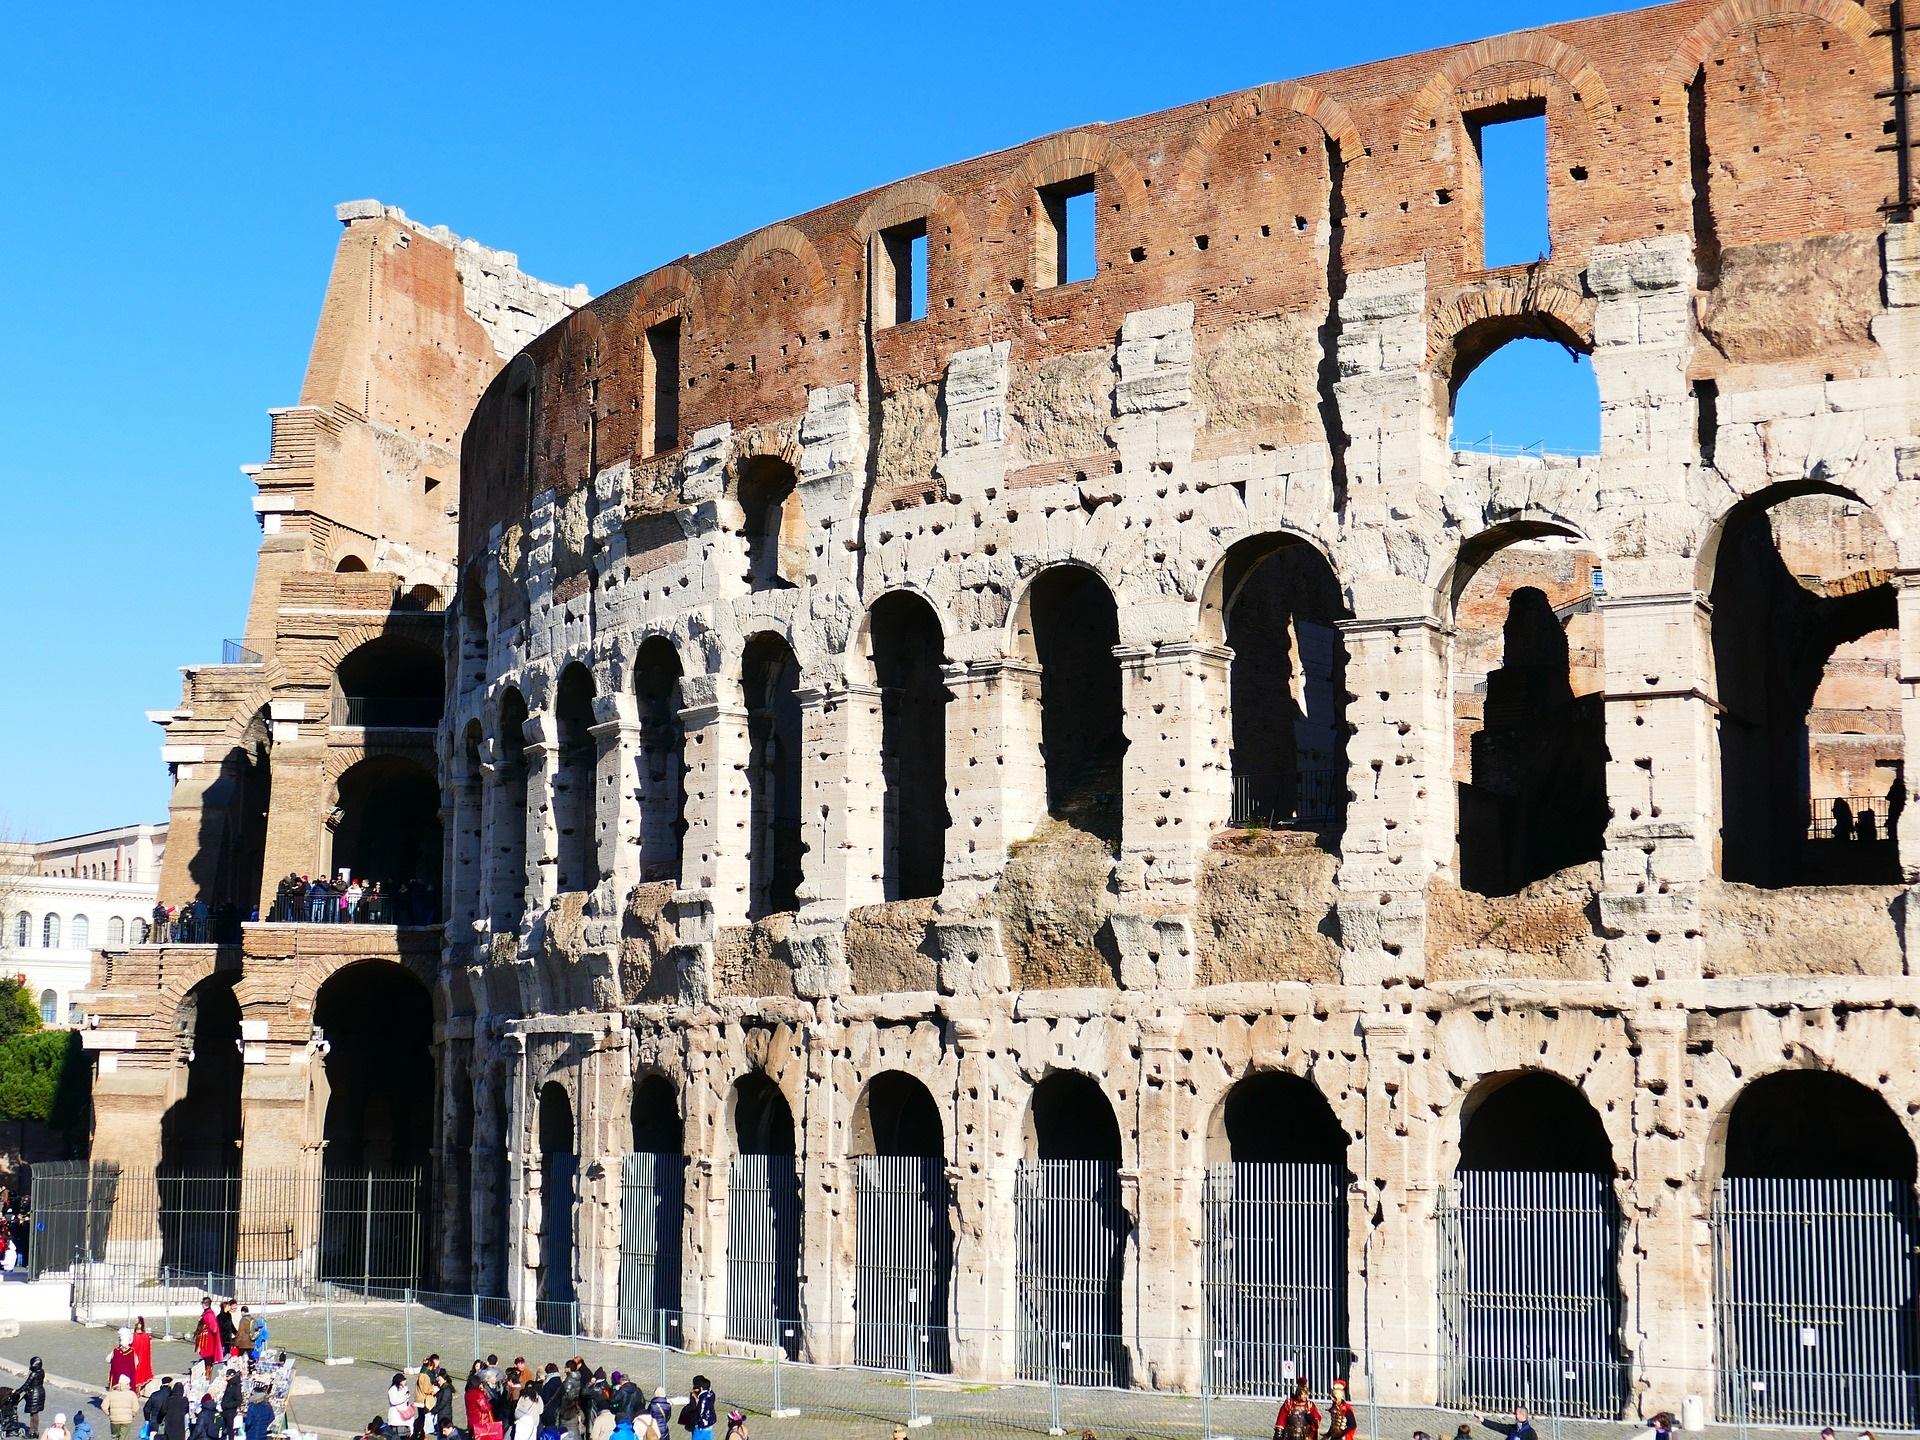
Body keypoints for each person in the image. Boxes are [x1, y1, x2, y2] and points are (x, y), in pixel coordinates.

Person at [1273, 1375, 1318, 1440]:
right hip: (1290, 1435)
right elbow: (1281, 1419)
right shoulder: (1289, 1403)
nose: (1305, 1396)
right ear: (1298, 1394)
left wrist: (1309, 1415)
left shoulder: (1309, 1405)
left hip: (1305, 1436)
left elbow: (1316, 1421)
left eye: (1306, 1394)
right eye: (1303, 1394)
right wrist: (1279, 1433)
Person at [20, 1357, 46, 1436]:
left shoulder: (33, 1374)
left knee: (32, 1414)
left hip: (34, 1395)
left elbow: (26, 1384)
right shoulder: (42, 1371)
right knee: (36, 1413)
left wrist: (18, 1391)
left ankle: (31, 1432)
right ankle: (36, 1431)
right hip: (41, 1392)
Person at [131, 1319, 155, 1392]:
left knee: (134, 1372)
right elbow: (149, 1346)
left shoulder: (132, 1336)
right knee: (141, 1372)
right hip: (143, 1358)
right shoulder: (147, 1336)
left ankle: (134, 1387)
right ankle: (138, 1388)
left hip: (134, 1358)